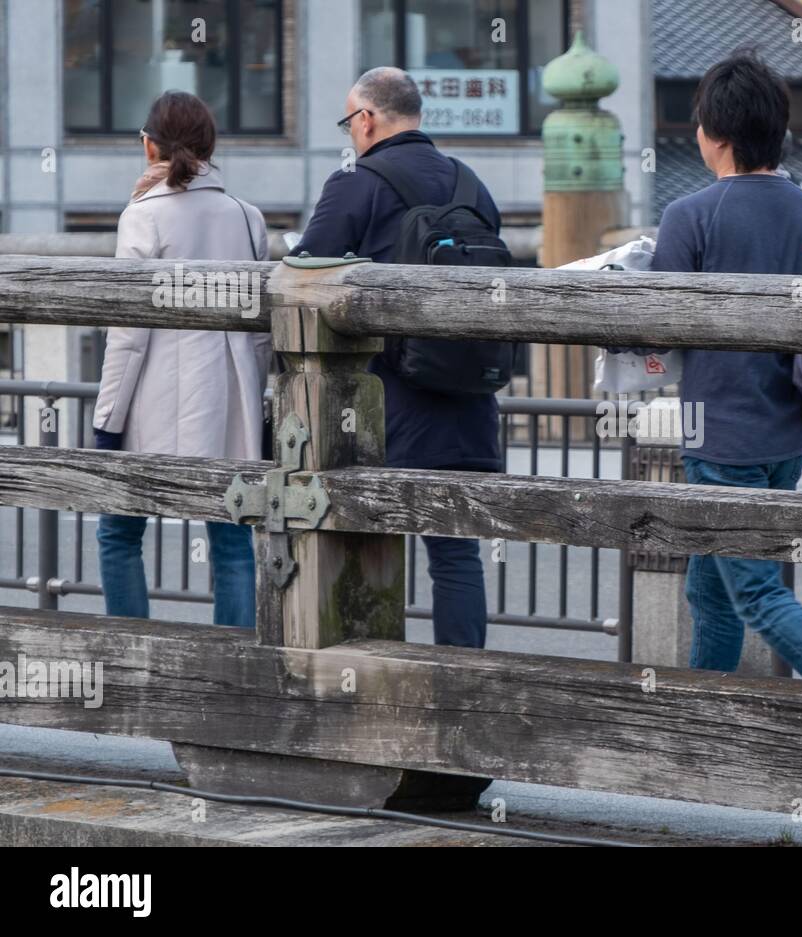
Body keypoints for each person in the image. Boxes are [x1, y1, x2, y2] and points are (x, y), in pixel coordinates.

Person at [651, 53, 802, 685]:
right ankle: (705, 717)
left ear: (712, 134)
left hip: (719, 432)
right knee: (711, 590)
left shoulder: (689, 216)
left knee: (756, 595)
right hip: (787, 433)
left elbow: (655, 325)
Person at [294, 67, 503, 649]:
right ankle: (460, 685)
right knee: (456, 555)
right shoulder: (470, 184)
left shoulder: (356, 182)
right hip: (467, 399)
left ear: (366, 119)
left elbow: (307, 268)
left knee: (356, 540)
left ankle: (356, 678)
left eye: (348, 120)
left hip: (379, 408)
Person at [93, 90, 271, 628]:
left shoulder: (142, 216)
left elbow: (129, 332)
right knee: (233, 538)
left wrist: (107, 419)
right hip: (229, 400)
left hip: (153, 403)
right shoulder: (247, 216)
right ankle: (235, 669)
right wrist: (253, 399)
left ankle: (131, 653)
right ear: (210, 146)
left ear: (149, 147)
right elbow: (262, 333)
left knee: (119, 532)